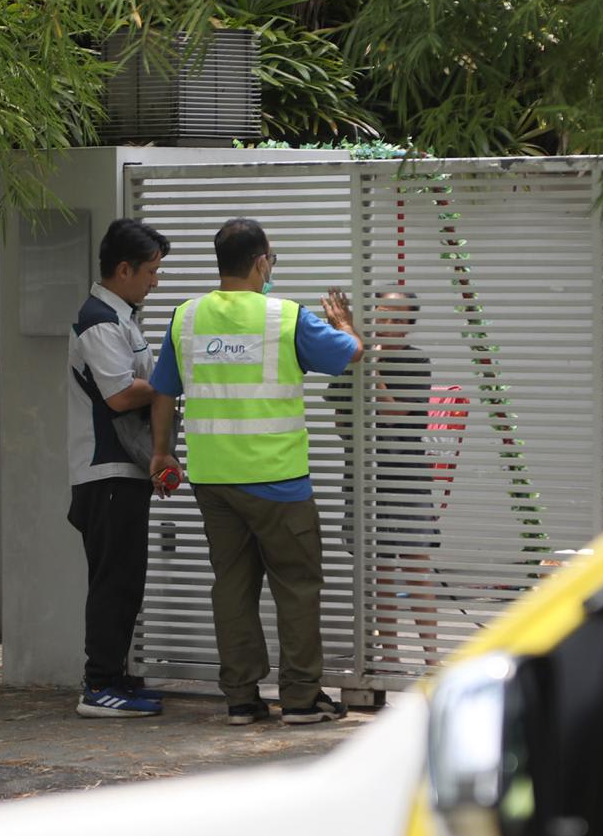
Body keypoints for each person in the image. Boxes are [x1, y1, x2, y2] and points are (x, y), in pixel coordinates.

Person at [148, 218, 364, 725]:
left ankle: (241, 698)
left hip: (212, 480)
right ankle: (301, 699)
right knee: (296, 586)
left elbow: (164, 390)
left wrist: (162, 453)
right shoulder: (285, 317)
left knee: (232, 587)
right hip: (278, 481)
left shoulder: (186, 317)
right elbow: (348, 354)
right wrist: (347, 326)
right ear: (261, 262)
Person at [67, 218, 169, 718]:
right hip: (105, 471)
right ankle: (99, 686)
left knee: (127, 579)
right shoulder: (100, 320)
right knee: (113, 581)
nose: (156, 280)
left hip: (122, 473)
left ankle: (116, 679)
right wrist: (173, 380)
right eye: (151, 271)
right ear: (123, 269)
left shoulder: (120, 316)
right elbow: (120, 393)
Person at [328, 291, 440, 665]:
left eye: (396, 318)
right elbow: (342, 423)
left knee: (414, 563)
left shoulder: (416, 362)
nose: (386, 324)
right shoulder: (351, 362)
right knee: (378, 568)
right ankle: (388, 656)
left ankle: (432, 657)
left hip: (404, 476)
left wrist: (368, 363)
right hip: (364, 477)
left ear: (408, 326)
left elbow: (394, 414)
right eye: (381, 315)